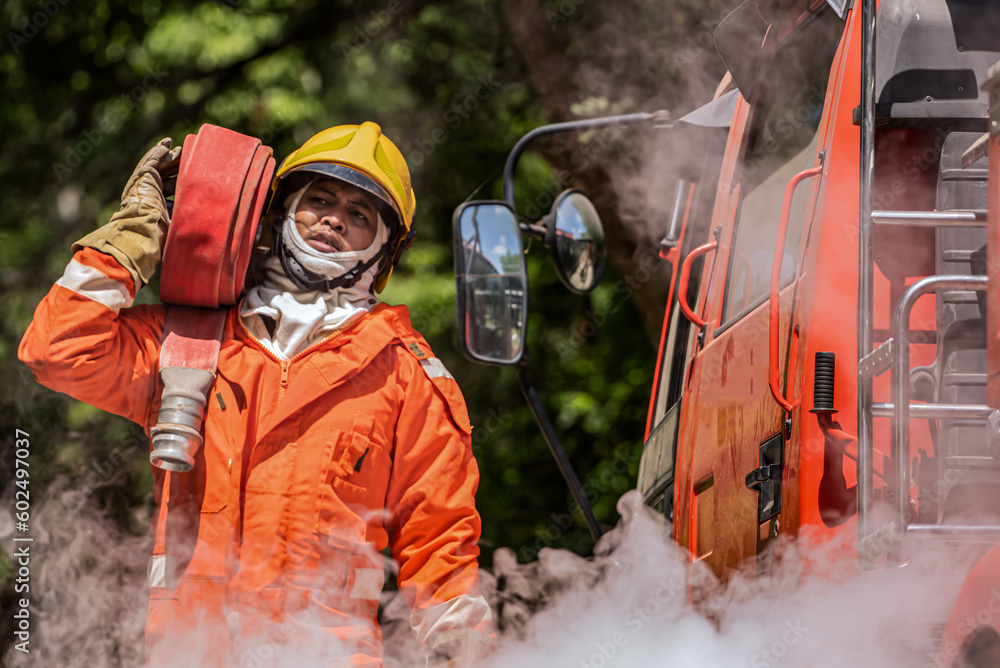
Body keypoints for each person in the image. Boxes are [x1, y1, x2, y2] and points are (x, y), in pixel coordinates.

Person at [19, 122, 495, 667]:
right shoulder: (190, 339)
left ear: (386, 251)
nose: (334, 218)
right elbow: (56, 350)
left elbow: (440, 547)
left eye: (361, 215)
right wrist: (128, 240)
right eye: (319, 199)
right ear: (280, 212)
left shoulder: (405, 375)